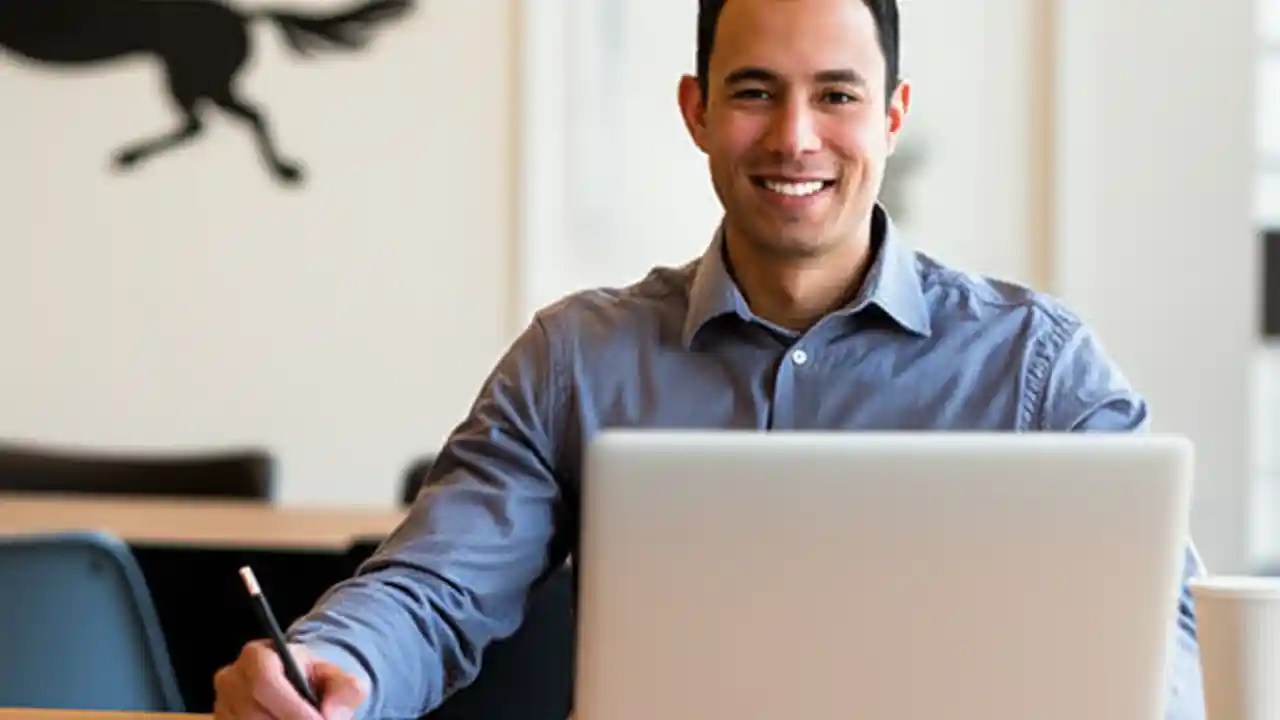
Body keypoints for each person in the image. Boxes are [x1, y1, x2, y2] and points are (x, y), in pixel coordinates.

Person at [212, 0, 1207, 718]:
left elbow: (1157, 627)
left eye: (836, 94)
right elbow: (435, 589)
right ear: (695, 110)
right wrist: (337, 662)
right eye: (753, 92)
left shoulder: (1035, 366)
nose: (794, 137)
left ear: (892, 115)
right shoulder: (575, 359)